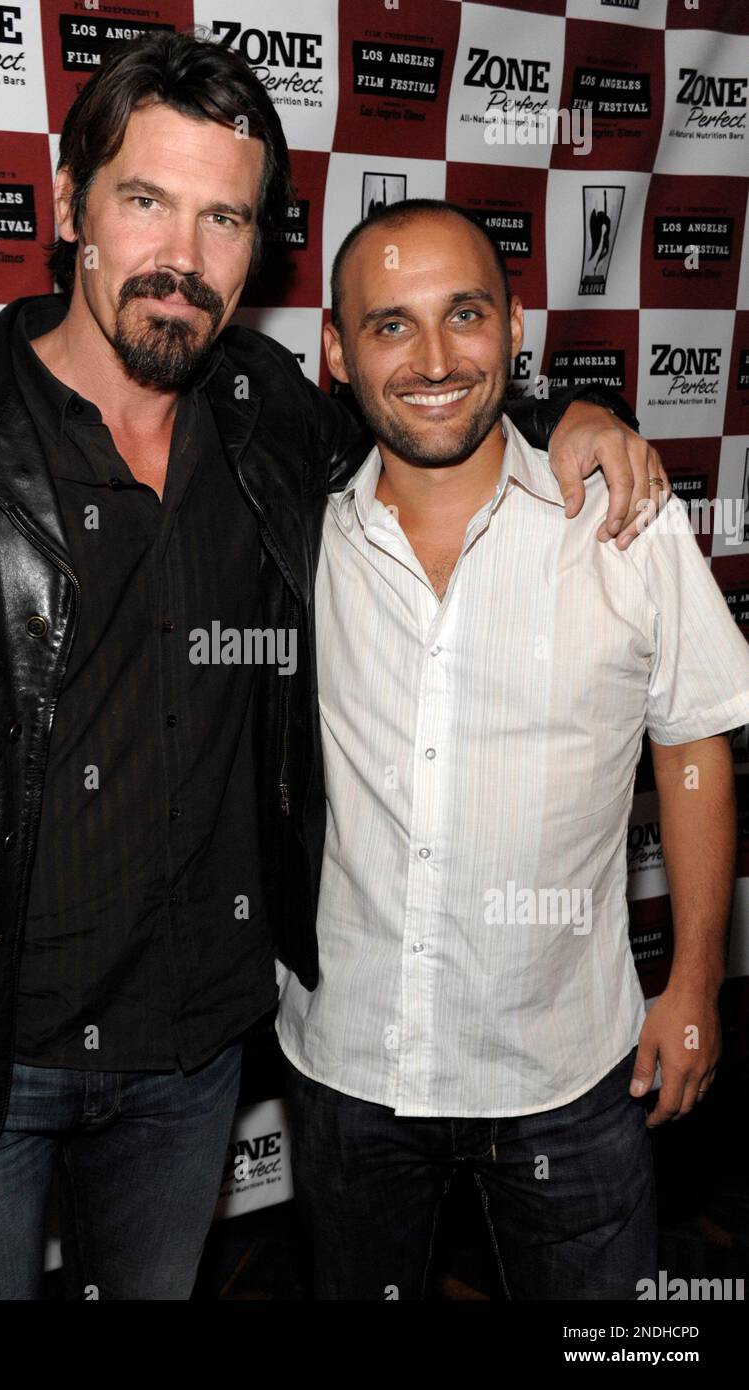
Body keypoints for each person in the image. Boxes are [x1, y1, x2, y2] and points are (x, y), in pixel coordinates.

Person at [0, 32, 664, 1301]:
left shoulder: (265, 416)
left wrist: (557, 414)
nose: (182, 260)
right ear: (68, 203)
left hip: (197, 1048)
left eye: (225, 220)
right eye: (146, 202)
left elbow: (420, 395)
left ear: (258, 248)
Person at [275, 198, 749, 1300]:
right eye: (390, 326)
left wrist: (693, 982)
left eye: (466, 316)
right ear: (336, 354)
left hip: (570, 1070)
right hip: (351, 1069)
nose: (435, 359)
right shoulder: (293, 525)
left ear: (517, 327)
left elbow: (693, 745)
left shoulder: (623, 517)